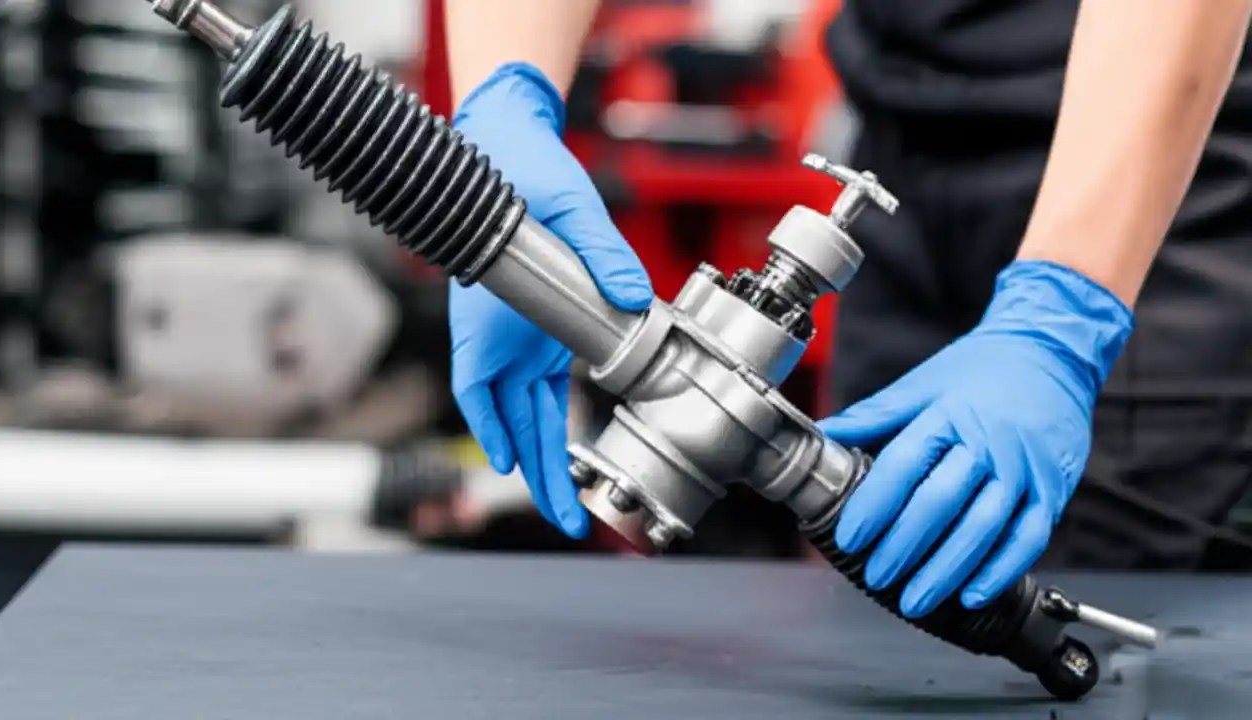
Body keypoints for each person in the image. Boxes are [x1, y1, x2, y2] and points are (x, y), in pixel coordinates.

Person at [445, 0, 1252, 620]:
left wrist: (1067, 310)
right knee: (876, 628)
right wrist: (504, 104)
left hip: (1165, 175)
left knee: (1120, 645)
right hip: (905, 144)